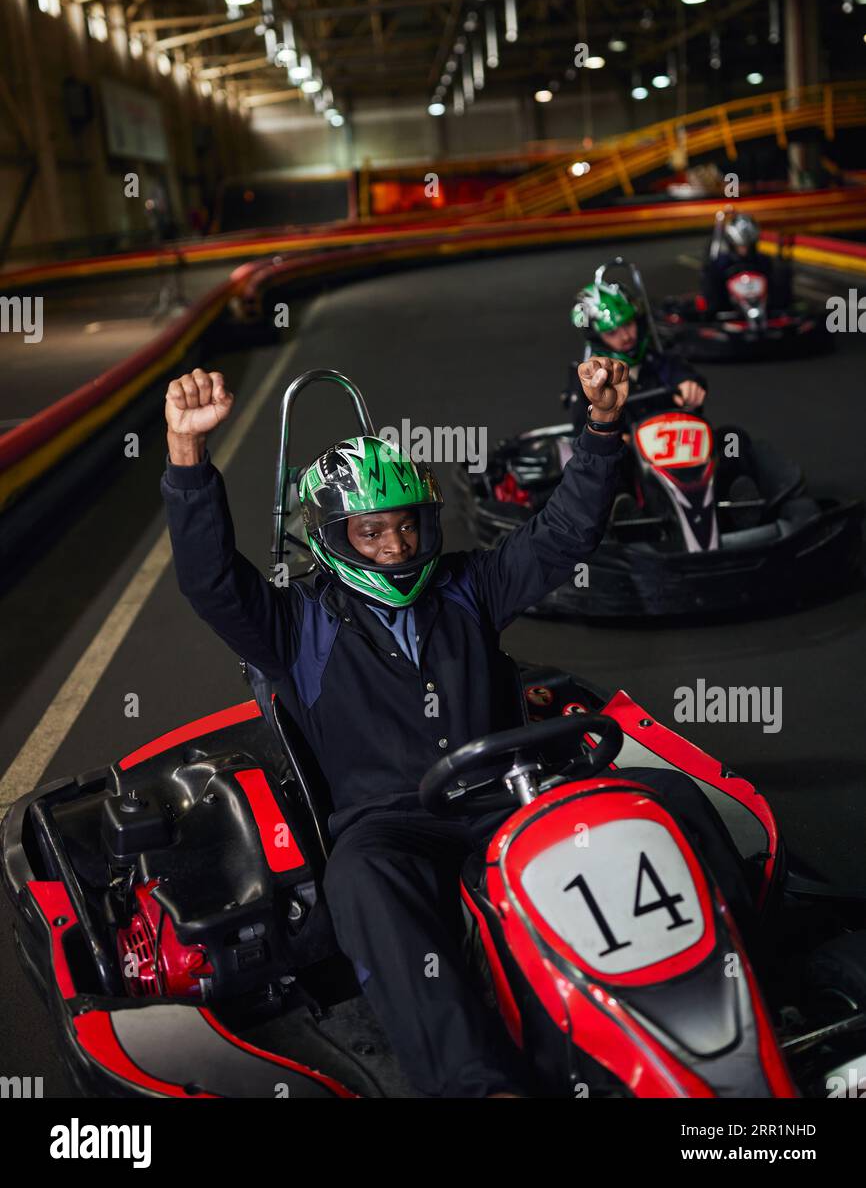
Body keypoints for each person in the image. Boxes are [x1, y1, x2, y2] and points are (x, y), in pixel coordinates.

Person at [161, 364, 756, 1098]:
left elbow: (565, 533)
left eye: (407, 524)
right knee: (359, 878)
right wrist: (187, 457)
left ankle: (750, 997)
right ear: (332, 539)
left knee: (666, 801)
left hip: (515, 793)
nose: (394, 545)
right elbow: (210, 581)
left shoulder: (468, 586)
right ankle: (477, 1083)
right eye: (371, 531)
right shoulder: (298, 626)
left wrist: (603, 430)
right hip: (397, 825)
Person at [565, 278, 707, 433]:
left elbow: (685, 374)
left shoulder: (657, 360)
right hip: (625, 451)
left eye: (628, 324)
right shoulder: (590, 379)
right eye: (612, 332)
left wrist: (688, 384)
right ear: (597, 338)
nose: (626, 337)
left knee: (730, 435)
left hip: (674, 440)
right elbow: (581, 429)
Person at [699, 211, 785, 316]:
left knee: (782, 272)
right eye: (740, 246)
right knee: (709, 274)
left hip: (762, 307)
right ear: (732, 244)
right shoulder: (720, 263)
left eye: (747, 246)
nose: (744, 250)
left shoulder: (763, 261)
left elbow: (776, 287)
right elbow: (711, 291)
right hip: (728, 310)